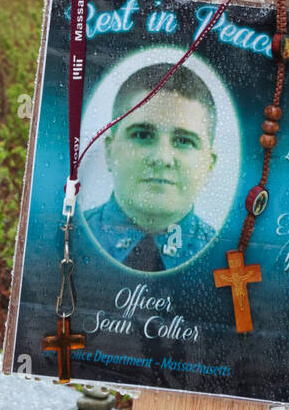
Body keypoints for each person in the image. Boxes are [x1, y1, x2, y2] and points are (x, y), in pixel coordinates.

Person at [84, 63, 218, 270]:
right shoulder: (65, 238)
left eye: (184, 141)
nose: (162, 158)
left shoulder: (225, 258)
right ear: (110, 151)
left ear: (209, 165)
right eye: (142, 135)